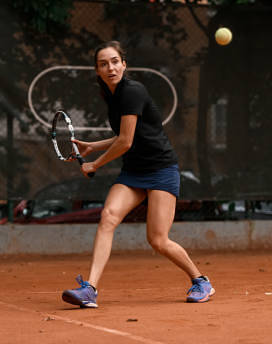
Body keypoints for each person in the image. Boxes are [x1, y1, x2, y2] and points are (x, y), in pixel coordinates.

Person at [61, 41, 214, 307]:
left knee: (157, 240)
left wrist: (95, 164)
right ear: (97, 70)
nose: (110, 67)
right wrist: (93, 146)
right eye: (103, 64)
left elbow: (126, 141)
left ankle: (201, 281)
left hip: (160, 169)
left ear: (124, 64)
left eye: (114, 61)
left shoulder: (132, 91)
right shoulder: (111, 96)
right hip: (134, 172)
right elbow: (125, 134)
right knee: (107, 217)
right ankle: (90, 289)